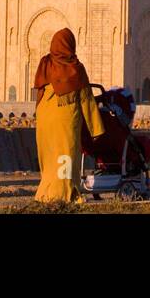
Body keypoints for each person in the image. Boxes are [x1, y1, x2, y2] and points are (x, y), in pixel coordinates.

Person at [33, 28, 104, 203]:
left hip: (44, 121)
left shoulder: (45, 64)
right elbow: (86, 99)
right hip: (65, 122)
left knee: (49, 160)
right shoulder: (75, 68)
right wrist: (96, 129)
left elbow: (39, 91)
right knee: (66, 157)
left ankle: (45, 193)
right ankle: (65, 194)